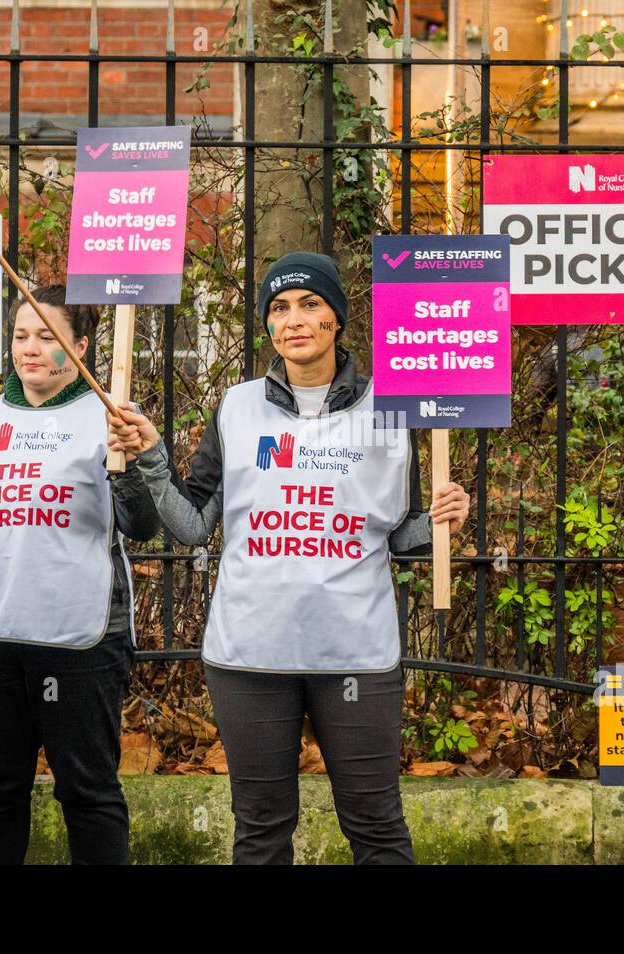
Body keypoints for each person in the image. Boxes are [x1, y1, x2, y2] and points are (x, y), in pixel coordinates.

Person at [116, 252, 470, 864]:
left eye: (310, 303)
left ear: (338, 318)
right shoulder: (236, 406)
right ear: (267, 326)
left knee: (377, 828)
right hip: (250, 653)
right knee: (260, 833)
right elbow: (195, 527)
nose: (294, 319)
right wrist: (150, 455)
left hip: (355, 651)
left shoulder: (395, 407)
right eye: (279, 307)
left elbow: (396, 534)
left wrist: (442, 523)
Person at [0, 285, 159, 865]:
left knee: (89, 793)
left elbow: (143, 525)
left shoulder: (110, 416)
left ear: (79, 346)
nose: (29, 348)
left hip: (79, 637)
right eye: (21, 336)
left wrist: (128, 464)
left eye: (47, 338)